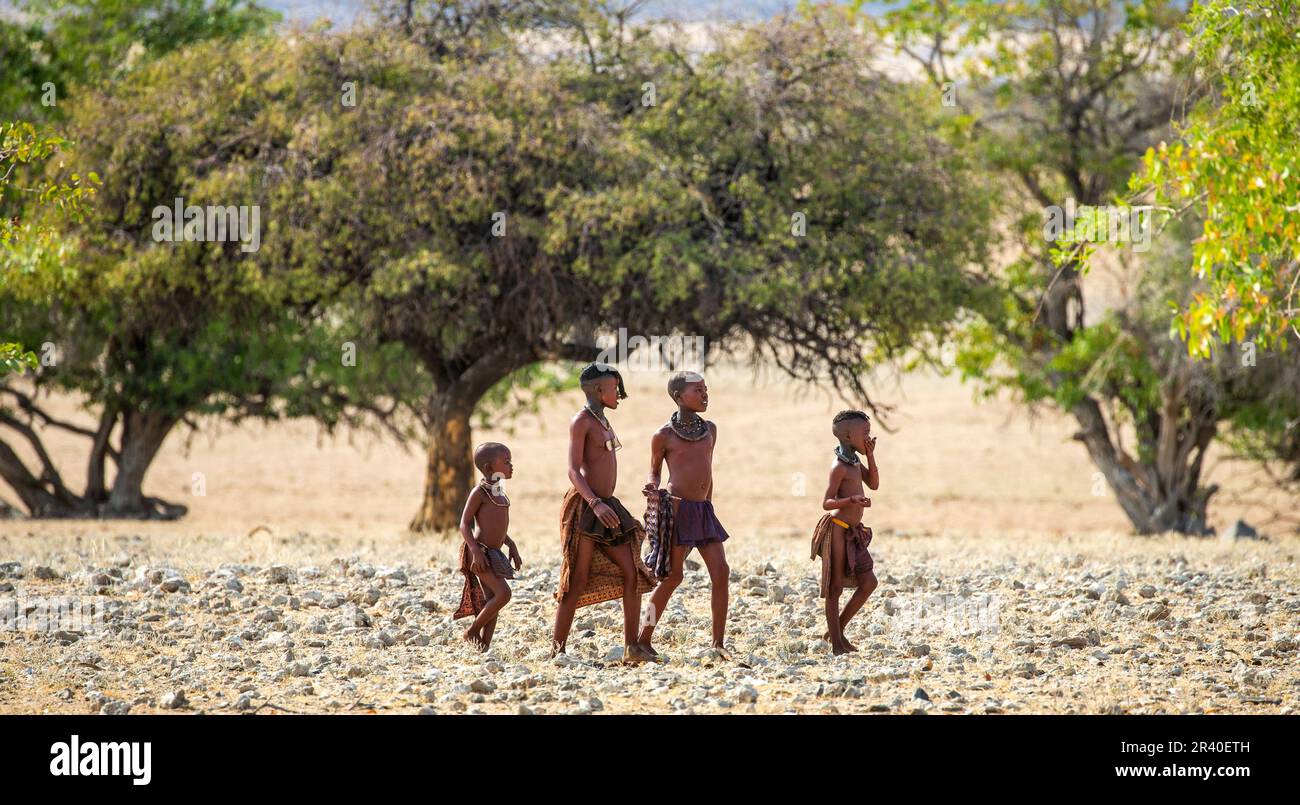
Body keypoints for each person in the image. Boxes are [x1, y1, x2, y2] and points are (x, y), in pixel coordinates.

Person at [552, 362, 656, 663]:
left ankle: (631, 647)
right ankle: (557, 651)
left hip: (609, 505)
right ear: (598, 390)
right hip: (587, 508)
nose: (619, 393)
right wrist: (594, 503)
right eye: (614, 388)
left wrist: (604, 502)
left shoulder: (603, 421)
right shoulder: (581, 421)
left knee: (632, 572)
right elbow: (573, 470)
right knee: (578, 577)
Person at [638, 370, 733, 660]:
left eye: (706, 389)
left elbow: (708, 471)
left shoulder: (711, 430)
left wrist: (709, 503)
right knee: (671, 577)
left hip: (703, 511)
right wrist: (652, 487)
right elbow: (655, 470)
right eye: (698, 391)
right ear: (679, 397)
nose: (705, 395)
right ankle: (643, 638)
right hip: (677, 510)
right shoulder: (663, 435)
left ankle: (718, 644)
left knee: (721, 572)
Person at [811, 410, 880, 655]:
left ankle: (835, 632)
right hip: (838, 531)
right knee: (835, 588)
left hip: (853, 532)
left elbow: (873, 483)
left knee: (869, 582)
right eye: (866, 434)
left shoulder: (853, 462)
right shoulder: (839, 466)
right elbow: (827, 502)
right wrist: (851, 499)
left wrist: (870, 456)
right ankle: (838, 645)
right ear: (849, 436)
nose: (869, 438)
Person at [453, 442, 522, 651]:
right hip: (479, 553)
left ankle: (483, 645)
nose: (511, 466)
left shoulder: (499, 491)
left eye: (511, 461)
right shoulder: (480, 492)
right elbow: (464, 524)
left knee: (492, 600)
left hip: (493, 553)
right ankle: (472, 631)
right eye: (506, 462)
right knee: (503, 594)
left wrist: (511, 546)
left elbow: (497, 527)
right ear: (489, 468)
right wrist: (474, 551)